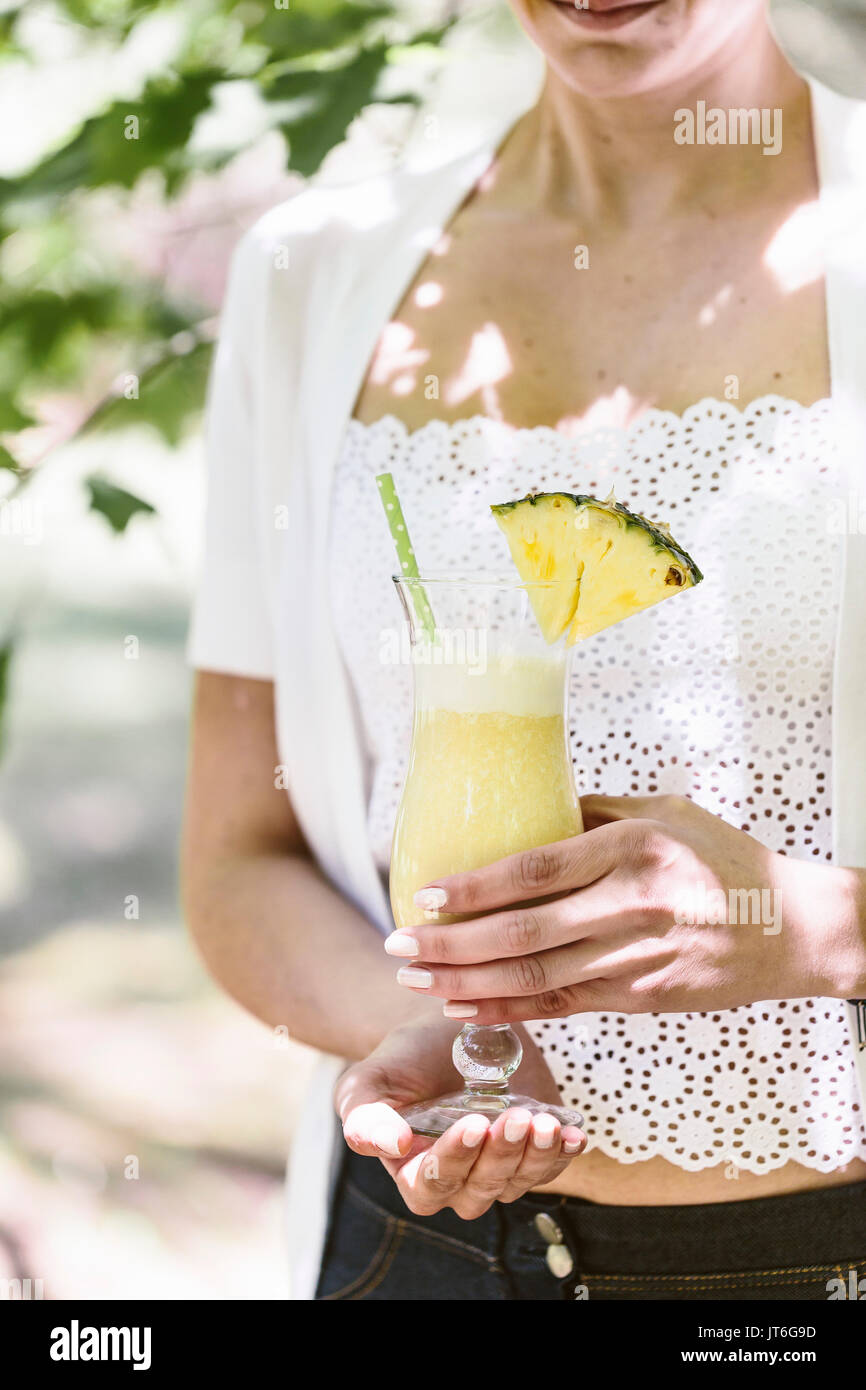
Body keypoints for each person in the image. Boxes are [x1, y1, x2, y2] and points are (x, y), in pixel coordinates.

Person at [183, 0, 866, 1300]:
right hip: (412, 1251)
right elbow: (236, 858)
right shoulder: (314, 269)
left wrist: (809, 928)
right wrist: (437, 1027)